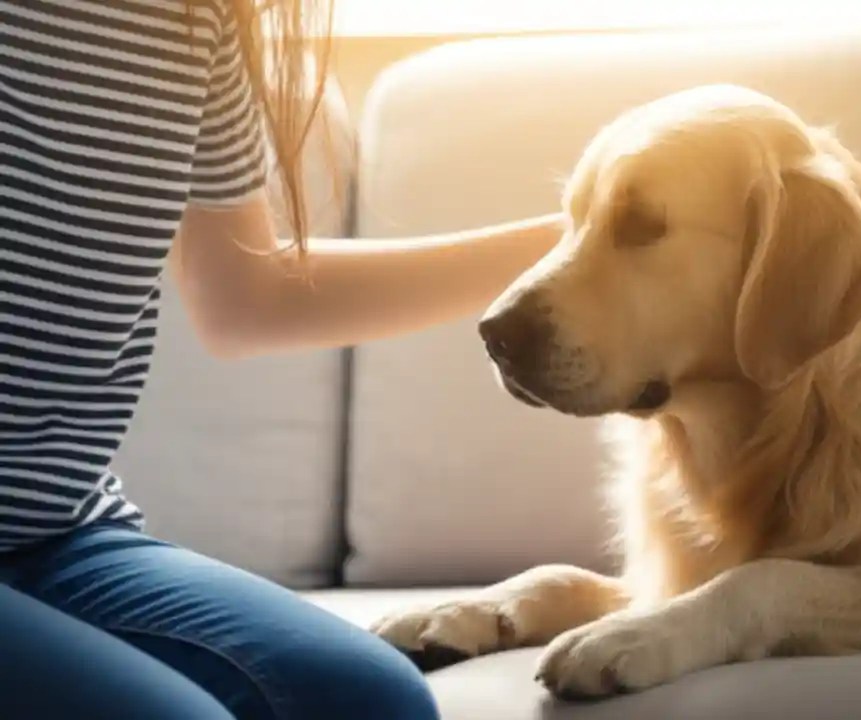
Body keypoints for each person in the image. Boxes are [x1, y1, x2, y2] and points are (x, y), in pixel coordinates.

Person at [0, 1, 562, 718]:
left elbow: (248, 296)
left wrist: (578, 243)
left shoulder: (196, 20)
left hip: (55, 530)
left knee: (373, 701)